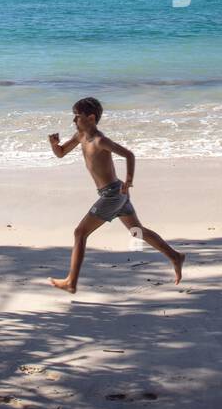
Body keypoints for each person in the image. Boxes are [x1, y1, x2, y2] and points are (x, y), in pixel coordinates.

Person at [47, 97, 184, 293]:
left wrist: (128, 180)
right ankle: (175, 256)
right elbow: (60, 153)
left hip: (113, 194)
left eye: (77, 116)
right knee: (138, 231)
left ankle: (71, 282)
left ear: (91, 118)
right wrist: (54, 144)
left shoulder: (100, 140)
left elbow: (129, 155)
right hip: (116, 194)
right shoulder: (80, 137)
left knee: (80, 233)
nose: (74, 120)